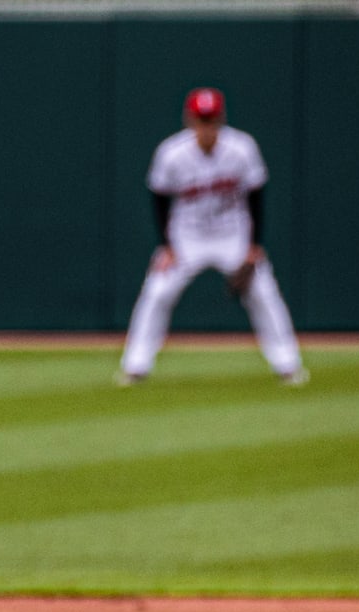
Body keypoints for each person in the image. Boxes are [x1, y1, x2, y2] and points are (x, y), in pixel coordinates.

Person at [117, 87, 307, 387]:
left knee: (263, 292)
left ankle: (287, 364)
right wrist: (166, 246)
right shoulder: (172, 152)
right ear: (189, 119)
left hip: (233, 235)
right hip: (186, 237)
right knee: (157, 292)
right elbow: (159, 198)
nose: (206, 125)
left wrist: (253, 246)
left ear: (221, 118)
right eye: (201, 118)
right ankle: (136, 365)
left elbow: (256, 196)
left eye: (211, 118)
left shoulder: (242, 147)